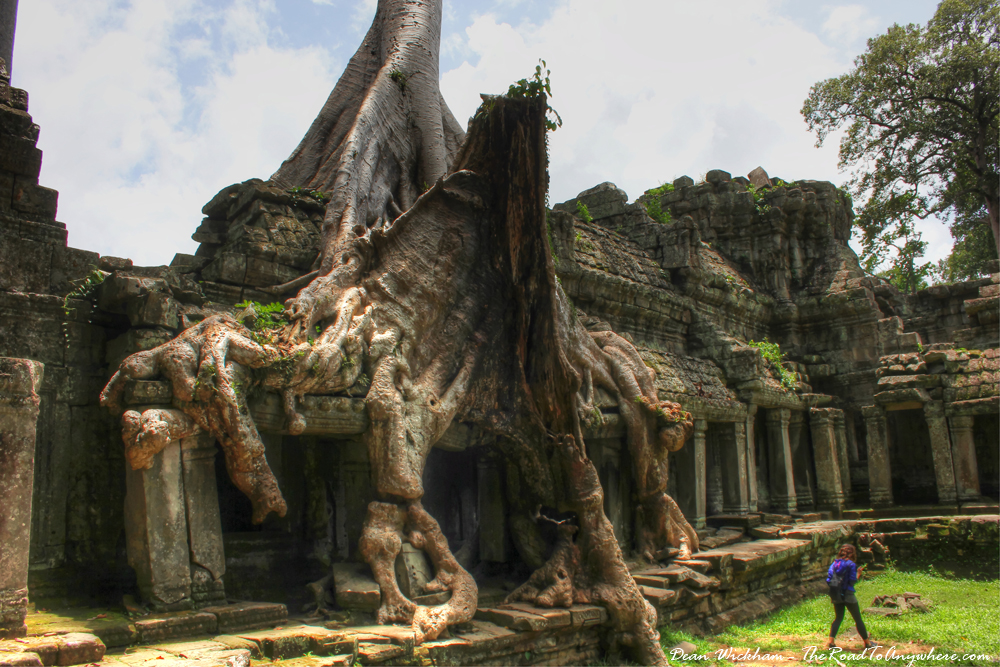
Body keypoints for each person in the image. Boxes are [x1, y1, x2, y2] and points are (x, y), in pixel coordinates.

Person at [826, 544, 873, 649]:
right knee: (858, 619)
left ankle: (831, 642)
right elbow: (852, 581)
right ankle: (867, 643)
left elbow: (829, 579)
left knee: (838, 618)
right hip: (848, 595)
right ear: (852, 553)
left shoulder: (834, 564)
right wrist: (858, 574)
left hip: (836, 594)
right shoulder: (851, 564)